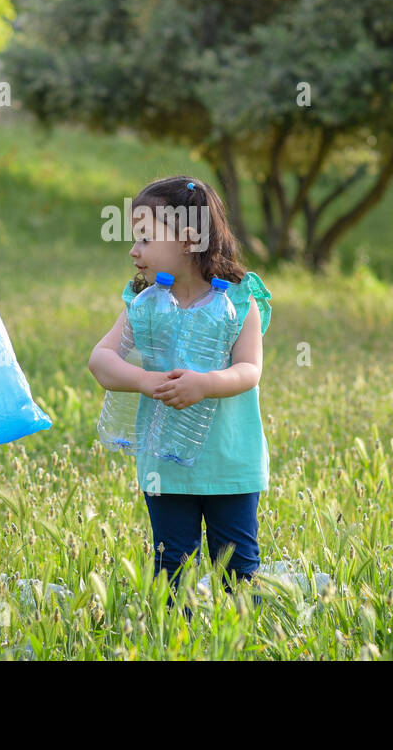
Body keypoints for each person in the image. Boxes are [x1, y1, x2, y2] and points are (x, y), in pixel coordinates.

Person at [87, 176, 273, 598]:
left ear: (188, 240)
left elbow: (249, 370)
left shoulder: (239, 300)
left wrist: (206, 385)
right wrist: (143, 379)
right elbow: (101, 360)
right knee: (172, 564)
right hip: (164, 462)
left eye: (145, 238)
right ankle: (176, 640)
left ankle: (238, 641)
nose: (134, 251)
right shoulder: (145, 301)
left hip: (230, 462)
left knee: (238, 569)